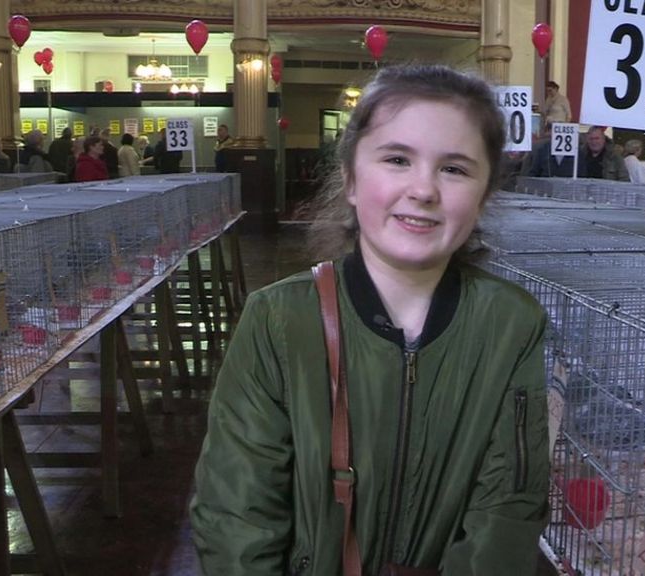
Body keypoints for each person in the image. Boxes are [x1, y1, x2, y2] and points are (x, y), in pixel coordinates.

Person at [191, 64, 549, 576]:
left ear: (485, 194)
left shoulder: (512, 323)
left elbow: (508, 505)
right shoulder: (278, 318)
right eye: (398, 159)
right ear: (352, 180)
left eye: (455, 168)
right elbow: (236, 511)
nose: (423, 189)